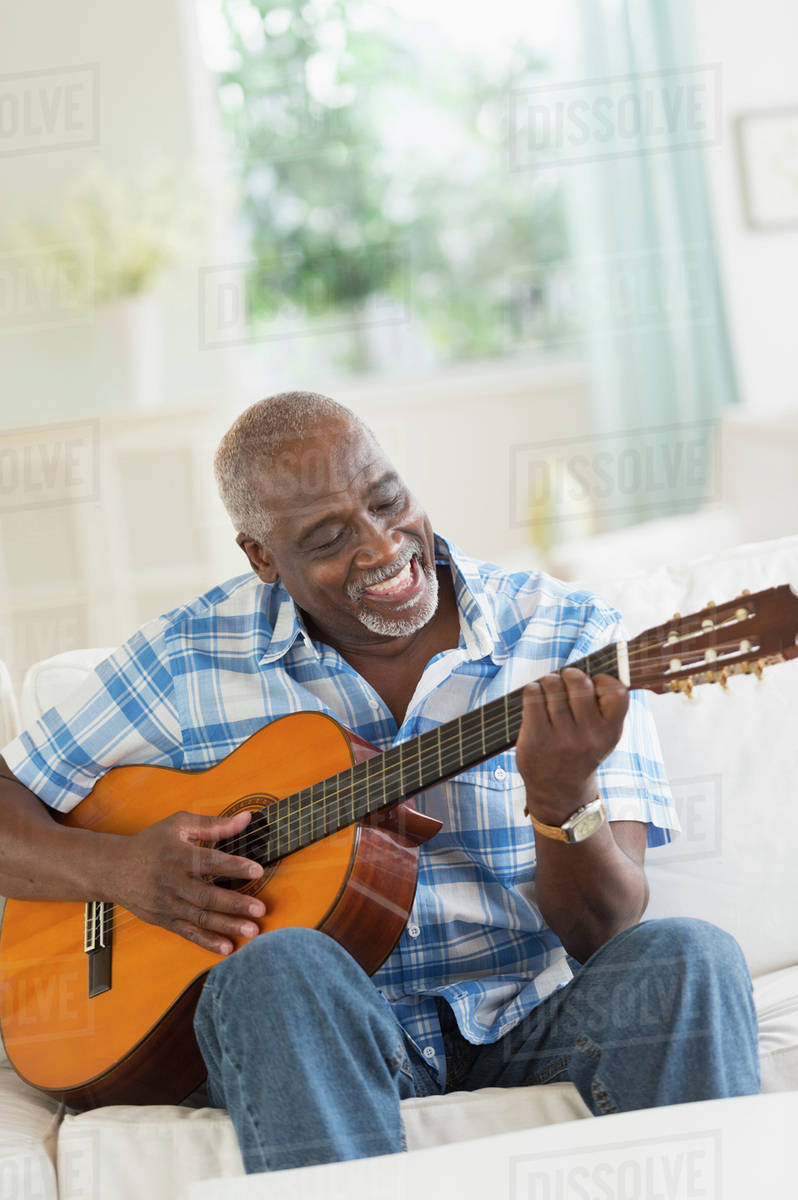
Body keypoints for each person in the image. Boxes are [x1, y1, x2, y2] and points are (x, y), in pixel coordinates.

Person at [0, 391, 760, 1174]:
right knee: (277, 966)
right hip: (319, 1032)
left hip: (532, 1020)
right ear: (262, 558)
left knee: (690, 955)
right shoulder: (186, 657)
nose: (380, 545)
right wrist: (121, 871)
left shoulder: (564, 635)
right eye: (328, 537)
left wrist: (563, 799)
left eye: (389, 501)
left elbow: (607, 932)